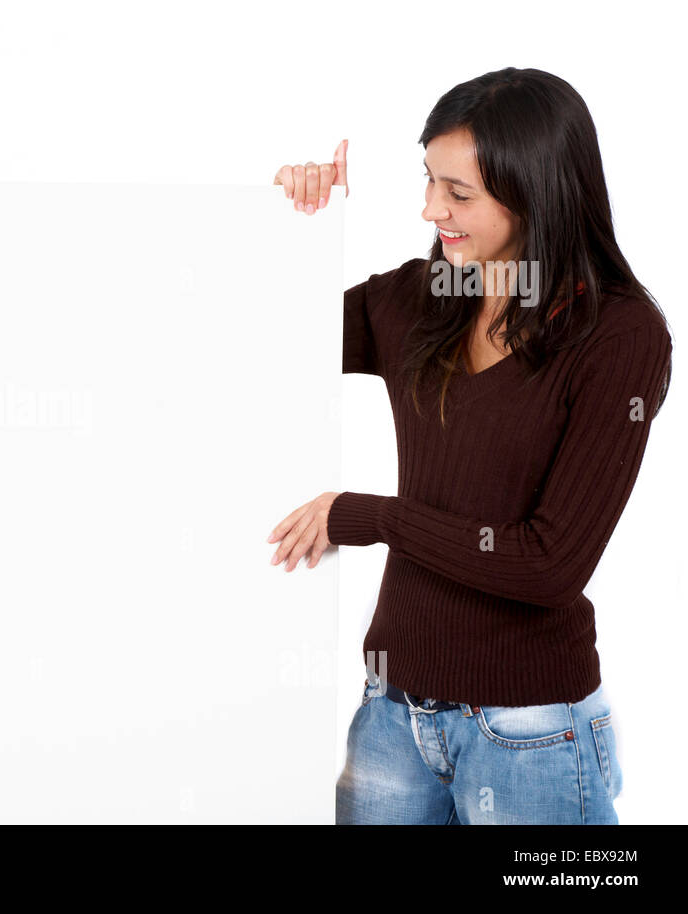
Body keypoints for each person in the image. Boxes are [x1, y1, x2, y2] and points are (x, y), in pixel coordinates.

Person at [268, 68, 673, 824]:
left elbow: (549, 562)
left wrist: (373, 517)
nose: (430, 209)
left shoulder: (618, 335)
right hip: (391, 716)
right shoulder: (423, 296)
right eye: (428, 181)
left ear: (537, 190)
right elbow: (259, 331)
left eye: (460, 193)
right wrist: (294, 221)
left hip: (531, 733)